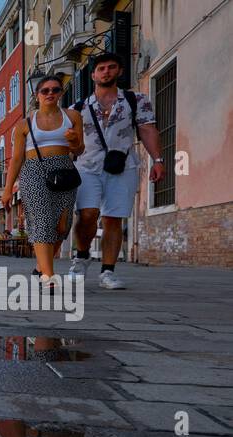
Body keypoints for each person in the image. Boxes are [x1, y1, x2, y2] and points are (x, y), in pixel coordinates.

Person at [68, 51, 164, 289]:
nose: (106, 72)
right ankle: (81, 257)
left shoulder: (136, 101)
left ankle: (107, 273)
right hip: (86, 166)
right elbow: (67, 141)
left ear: (119, 72)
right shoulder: (77, 108)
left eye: (111, 67)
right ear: (93, 75)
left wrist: (158, 160)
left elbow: (148, 130)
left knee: (113, 219)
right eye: (101, 68)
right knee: (87, 214)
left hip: (122, 165)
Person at [1, 73, 85, 285]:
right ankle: (49, 277)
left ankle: (41, 266)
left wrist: (74, 141)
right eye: (45, 90)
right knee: (41, 222)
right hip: (34, 171)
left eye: (55, 90)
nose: (50, 94)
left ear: (61, 93)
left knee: (61, 226)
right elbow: (17, 158)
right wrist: (8, 188)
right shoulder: (24, 124)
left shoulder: (73, 117)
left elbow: (79, 150)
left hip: (64, 169)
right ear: (37, 95)